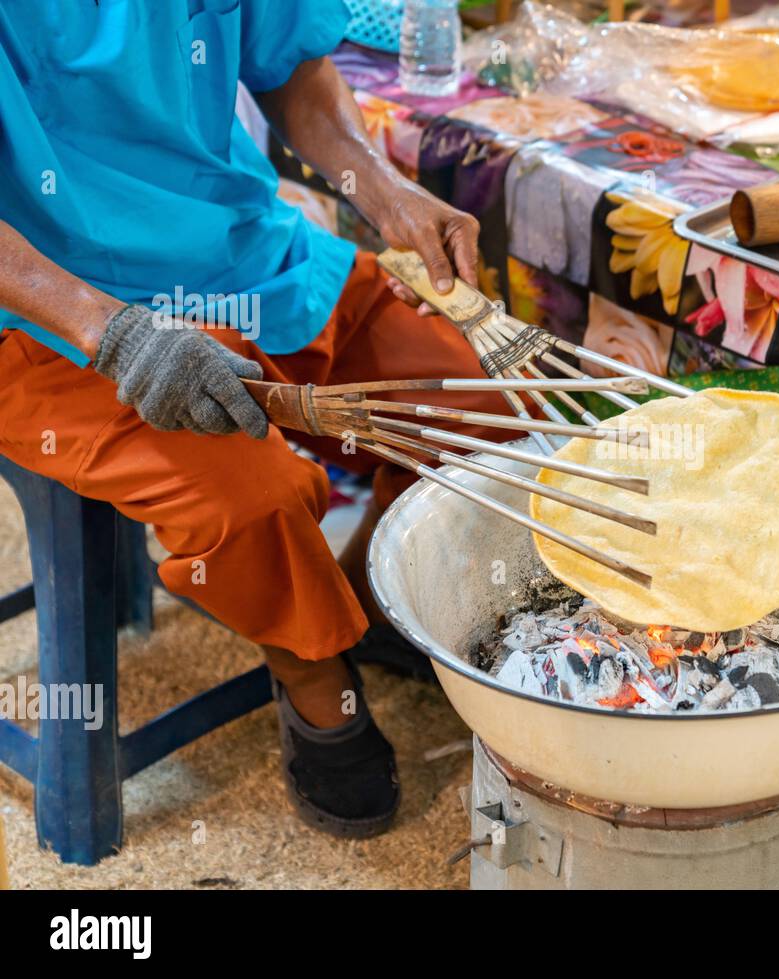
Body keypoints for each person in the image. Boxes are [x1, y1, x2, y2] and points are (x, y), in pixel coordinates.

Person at [0, 1, 499, 838]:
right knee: (253, 499)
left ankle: (368, 596)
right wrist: (112, 331)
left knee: (477, 408)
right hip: (46, 309)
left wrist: (387, 193)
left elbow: (291, 67)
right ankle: (316, 681)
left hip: (237, 251)